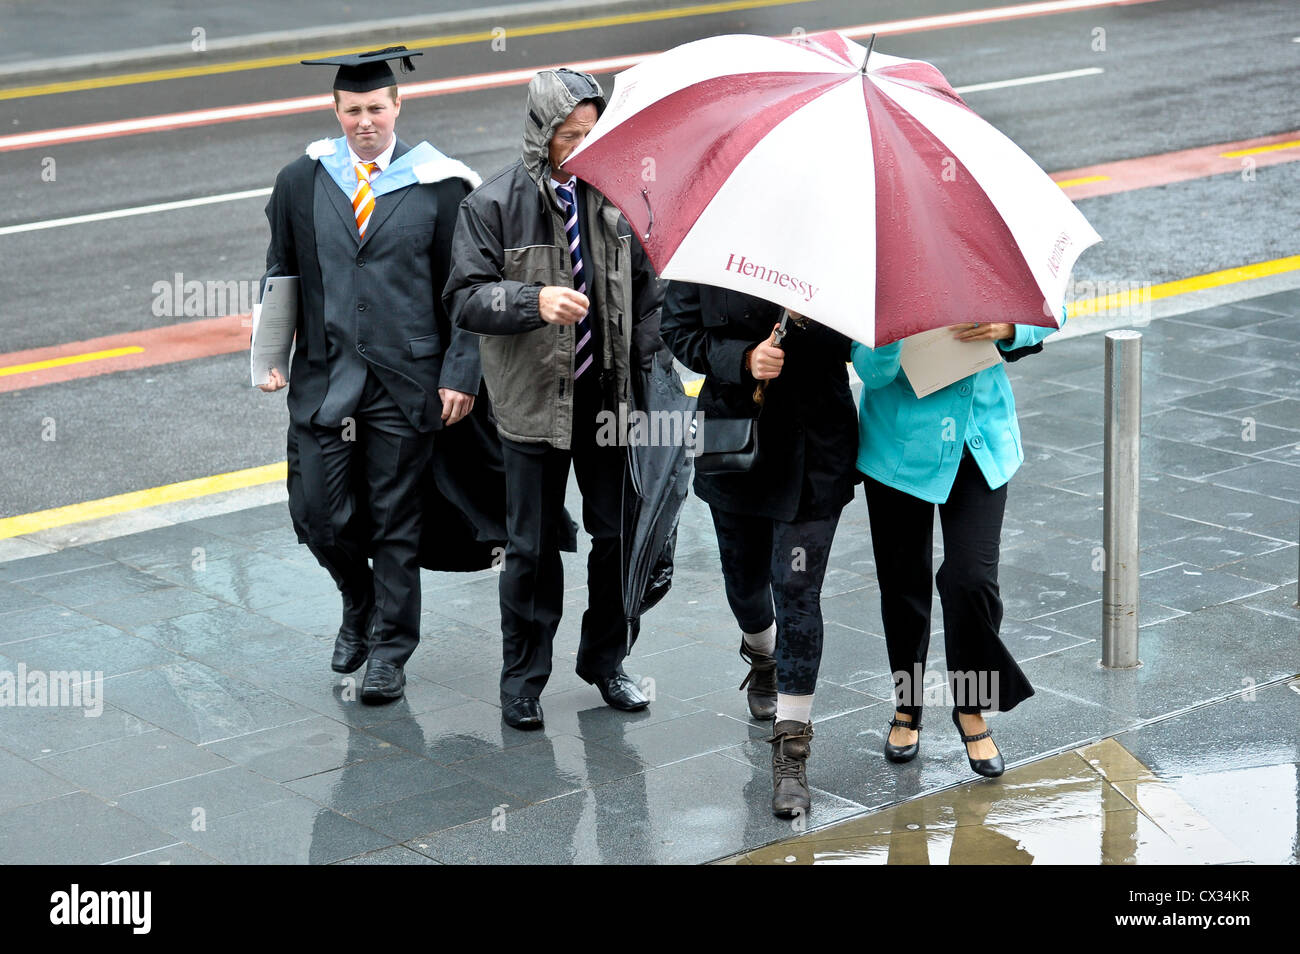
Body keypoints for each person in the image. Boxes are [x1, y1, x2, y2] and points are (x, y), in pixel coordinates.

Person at [257, 46, 482, 704]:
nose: (365, 121)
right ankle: (358, 603)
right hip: (327, 378)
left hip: (404, 384)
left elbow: (462, 290)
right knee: (320, 516)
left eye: (376, 109)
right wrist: (269, 355)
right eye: (352, 110)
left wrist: (459, 372)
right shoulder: (301, 180)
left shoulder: (438, 185)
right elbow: (281, 271)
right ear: (335, 110)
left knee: (395, 520)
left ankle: (390, 650)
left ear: (397, 107)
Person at [444, 68, 664, 730]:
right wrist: (530, 300)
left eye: (593, 134)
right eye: (570, 136)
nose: (583, 146)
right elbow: (463, 298)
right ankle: (523, 679)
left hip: (609, 402)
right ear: (542, 135)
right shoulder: (491, 205)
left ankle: (607, 660)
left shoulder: (620, 197)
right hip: (532, 405)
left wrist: (651, 372)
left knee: (618, 539)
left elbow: (651, 294)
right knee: (532, 550)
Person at [659, 286, 858, 819]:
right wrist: (743, 359)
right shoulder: (715, 240)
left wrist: (812, 321)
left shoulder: (837, 243)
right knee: (745, 586)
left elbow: (869, 338)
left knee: (796, 590)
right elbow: (678, 331)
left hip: (816, 445)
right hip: (734, 438)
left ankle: (791, 752)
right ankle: (762, 652)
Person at [853, 320, 1056, 778]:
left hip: (980, 441)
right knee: (904, 587)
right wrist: (892, 335)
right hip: (898, 449)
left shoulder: (980, 252)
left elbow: (1049, 307)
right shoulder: (878, 264)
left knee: (972, 579)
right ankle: (907, 708)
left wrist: (1008, 328)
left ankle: (971, 707)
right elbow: (871, 371)